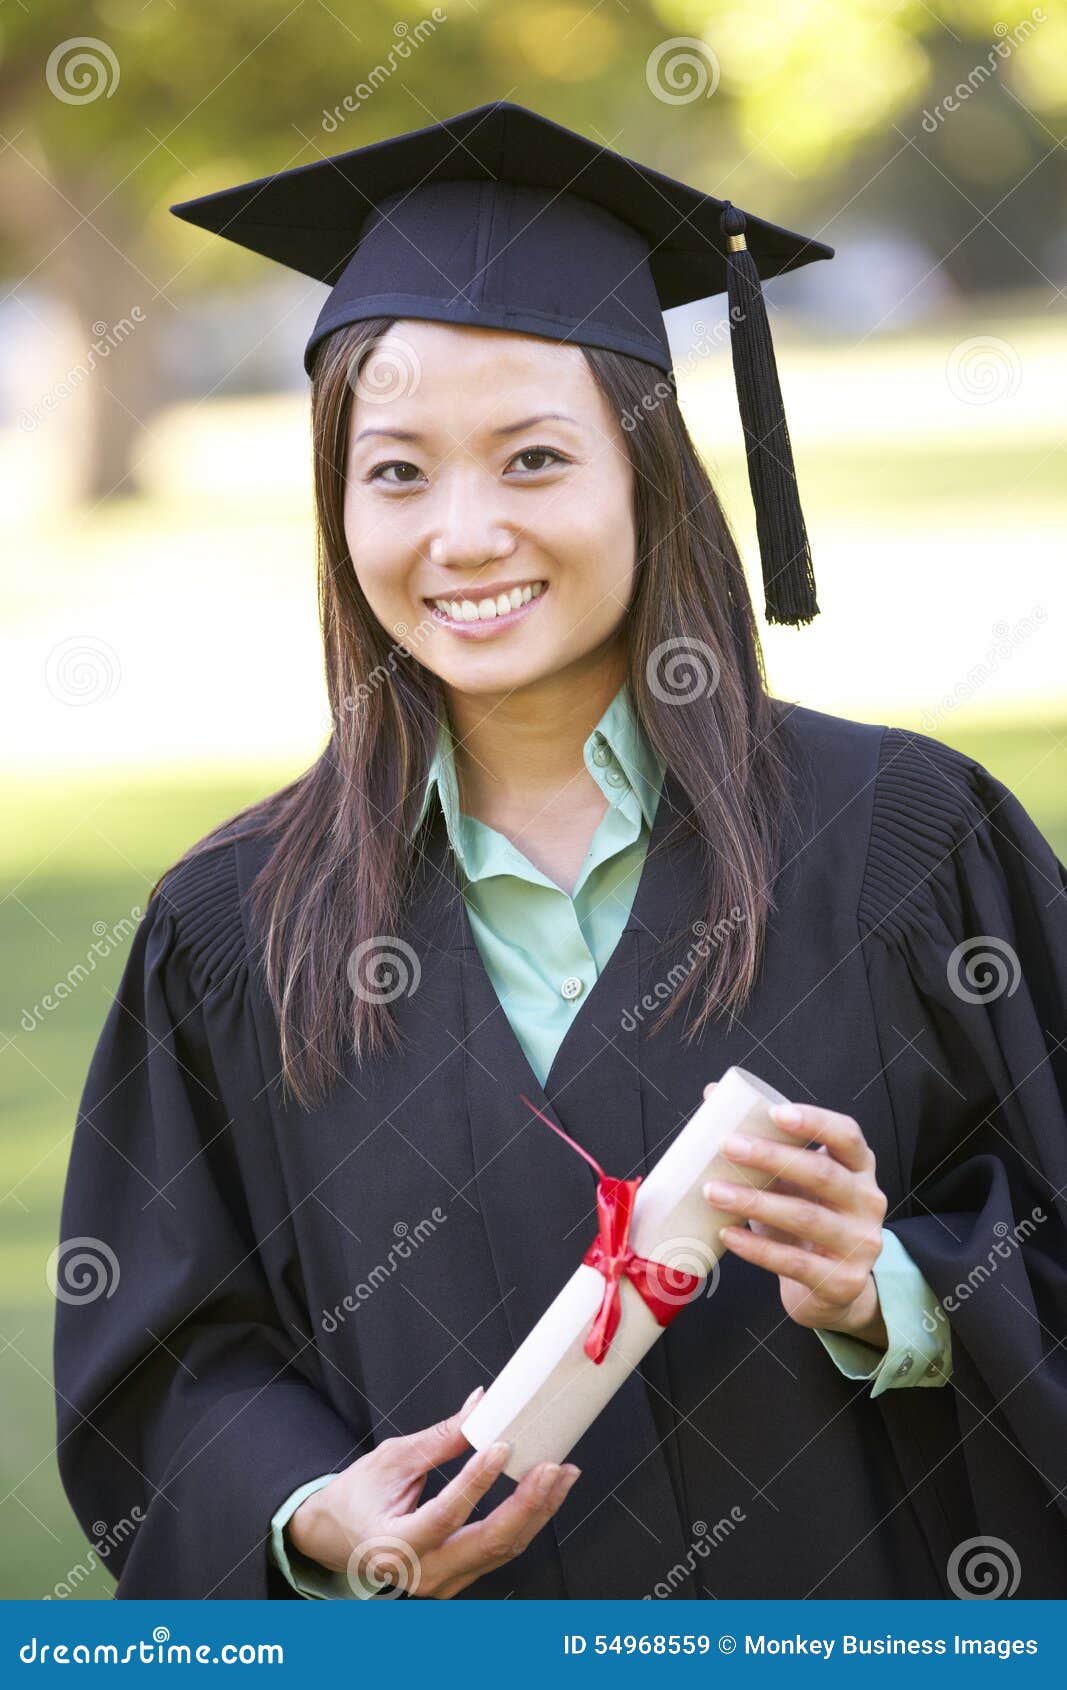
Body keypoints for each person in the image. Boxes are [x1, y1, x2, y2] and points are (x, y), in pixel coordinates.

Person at [53, 101, 1067, 1601]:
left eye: (532, 460)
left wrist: (900, 1286)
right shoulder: (232, 930)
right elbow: (168, 1360)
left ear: (647, 476)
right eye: (396, 472)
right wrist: (314, 1512)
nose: (461, 534)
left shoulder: (909, 847)